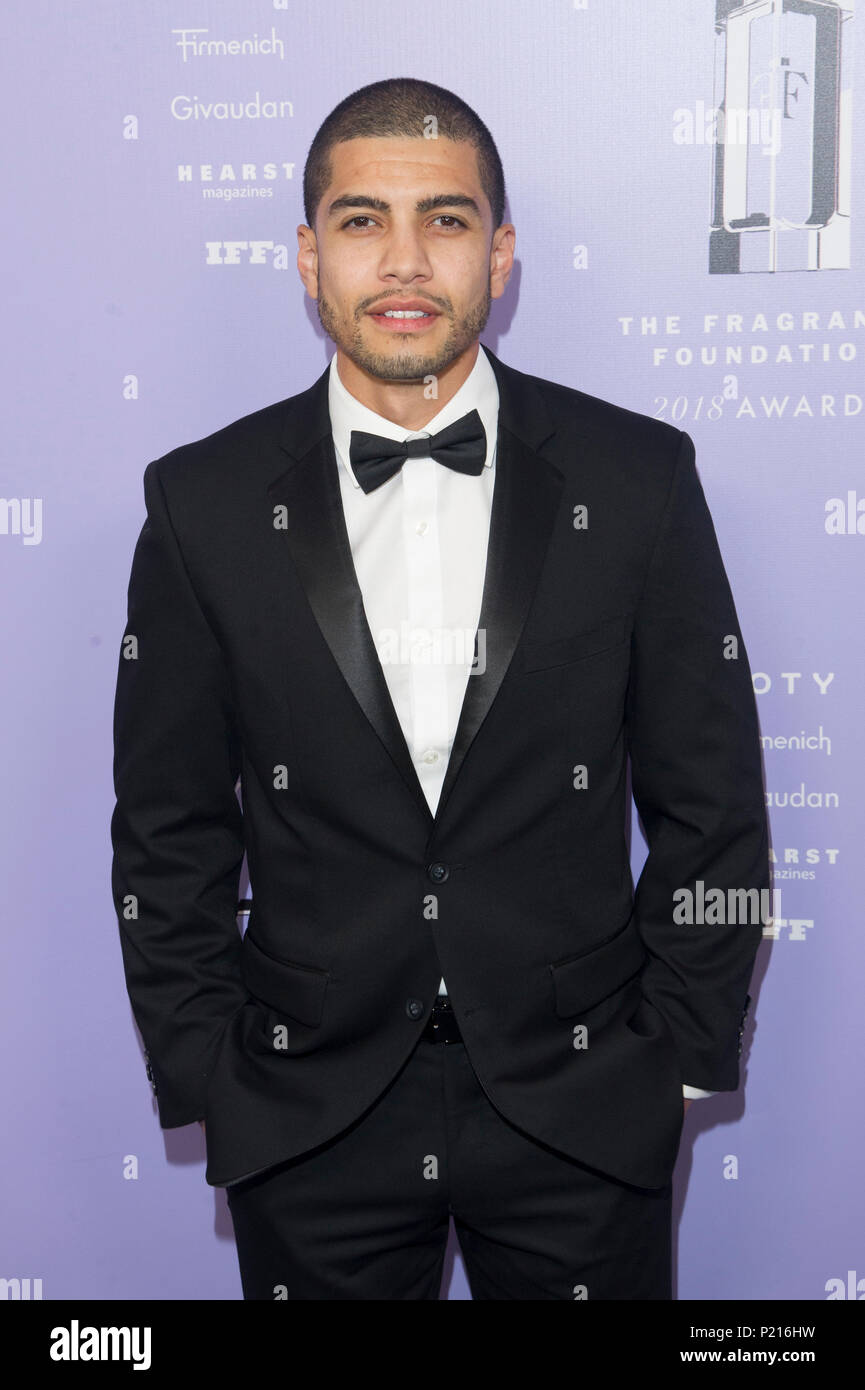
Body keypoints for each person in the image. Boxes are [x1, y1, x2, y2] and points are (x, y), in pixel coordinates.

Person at [110, 77, 769, 1300]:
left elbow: (714, 804)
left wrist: (675, 1057)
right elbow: (168, 832)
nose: (403, 263)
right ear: (309, 259)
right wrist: (206, 1070)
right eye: (362, 222)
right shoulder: (199, 503)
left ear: (501, 253)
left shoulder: (635, 480)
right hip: (307, 1106)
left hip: (580, 1103)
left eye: (446, 221)